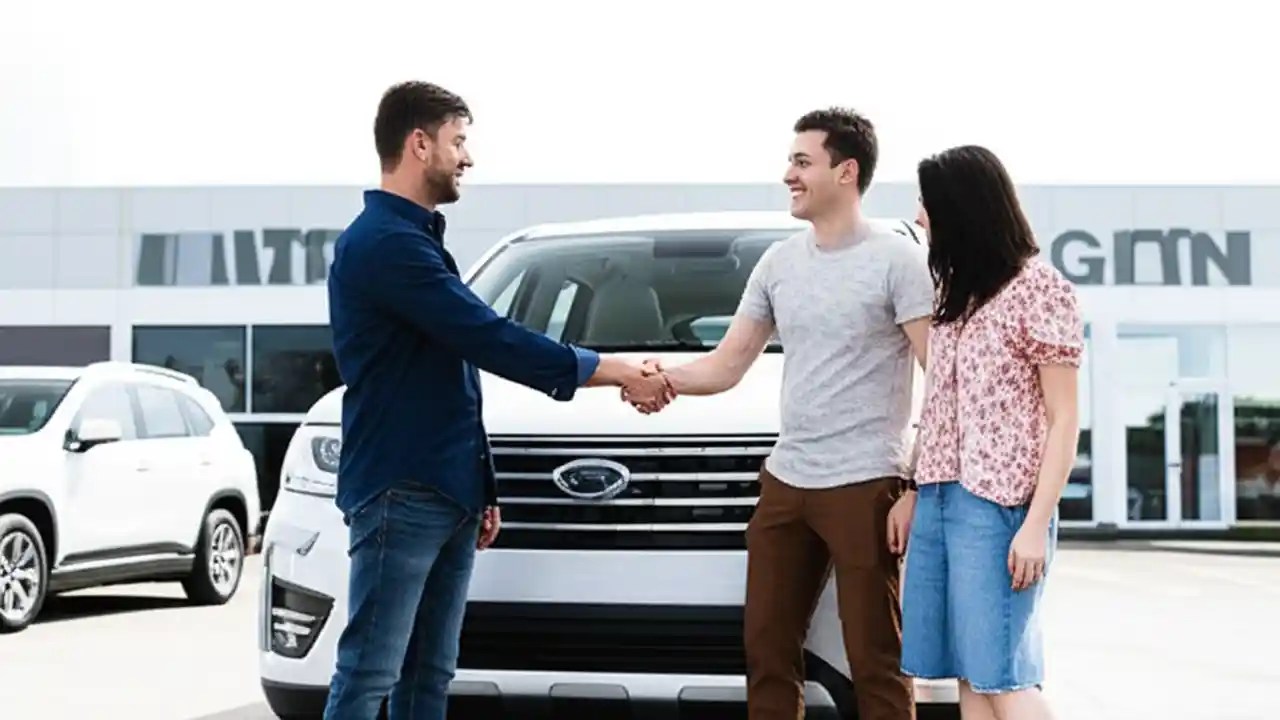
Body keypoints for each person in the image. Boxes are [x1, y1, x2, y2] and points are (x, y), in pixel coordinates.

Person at [322, 81, 673, 720]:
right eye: (458, 142)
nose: (468, 158)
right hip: (401, 490)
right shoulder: (384, 244)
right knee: (370, 672)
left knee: (428, 675)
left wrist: (480, 486)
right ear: (419, 144)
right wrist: (617, 369)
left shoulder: (415, 240)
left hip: (444, 490)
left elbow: (448, 378)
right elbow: (490, 339)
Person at [634, 108, 933, 720]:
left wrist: (919, 484)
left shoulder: (898, 261)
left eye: (802, 162)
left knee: (874, 659)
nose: (788, 176)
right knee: (767, 650)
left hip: (867, 481)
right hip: (787, 482)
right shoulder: (779, 263)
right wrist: (660, 379)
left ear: (846, 171)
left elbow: (944, 381)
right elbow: (727, 364)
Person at [899, 144, 1084, 720]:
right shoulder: (955, 297)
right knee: (969, 679)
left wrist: (1033, 526)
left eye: (928, 203)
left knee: (1002, 677)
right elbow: (939, 406)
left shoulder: (1040, 288)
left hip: (1000, 506)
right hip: (939, 496)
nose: (920, 215)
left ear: (963, 208)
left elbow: (1064, 420)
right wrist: (911, 489)